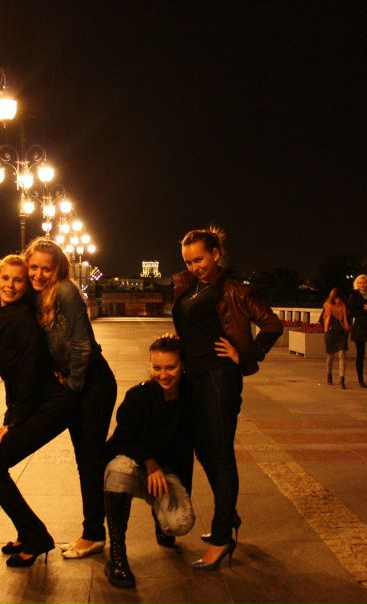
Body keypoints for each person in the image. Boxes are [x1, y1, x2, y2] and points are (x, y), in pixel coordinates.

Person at [171, 226, 282, 571]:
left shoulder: (233, 289)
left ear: (216, 254)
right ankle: (227, 515)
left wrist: (244, 355)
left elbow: (272, 324)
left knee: (219, 455)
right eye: (188, 261)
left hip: (219, 378)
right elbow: (193, 326)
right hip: (193, 378)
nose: (194, 267)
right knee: (205, 452)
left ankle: (221, 538)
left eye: (199, 259)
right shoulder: (189, 286)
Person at [0, 254, 76, 568]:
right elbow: (15, 379)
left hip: (50, 406)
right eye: (5, 278)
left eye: (18, 280)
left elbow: (29, 373)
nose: (11, 285)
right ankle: (26, 532)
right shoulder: (7, 316)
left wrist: (14, 422)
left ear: (25, 285)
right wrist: (11, 418)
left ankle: (36, 536)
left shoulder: (20, 319)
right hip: (35, 404)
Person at [24, 237, 118, 560]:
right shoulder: (39, 297)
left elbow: (81, 344)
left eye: (45, 269)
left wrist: (72, 386)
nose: (38, 274)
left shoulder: (65, 291)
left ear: (58, 269)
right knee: (87, 458)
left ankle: (94, 534)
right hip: (77, 381)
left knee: (89, 458)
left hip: (92, 381)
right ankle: (94, 529)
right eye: (33, 267)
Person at [103, 335, 195, 588]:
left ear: (183, 366)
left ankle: (159, 516)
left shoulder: (191, 397)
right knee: (118, 470)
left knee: (180, 524)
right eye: (157, 367)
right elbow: (121, 440)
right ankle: (117, 556)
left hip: (167, 473)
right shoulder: (138, 396)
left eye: (170, 367)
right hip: (136, 467)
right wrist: (149, 463)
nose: (163, 375)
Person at [321, 288, 349, 389]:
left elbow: (347, 319)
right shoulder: (327, 306)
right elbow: (321, 320)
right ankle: (329, 373)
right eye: (336, 298)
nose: (338, 300)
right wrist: (327, 327)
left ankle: (342, 378)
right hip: (330, 333)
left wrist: (347, 328)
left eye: (339, 298)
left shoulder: (344, 306)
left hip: (342, 333)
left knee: (342, 354)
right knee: (330, 356)